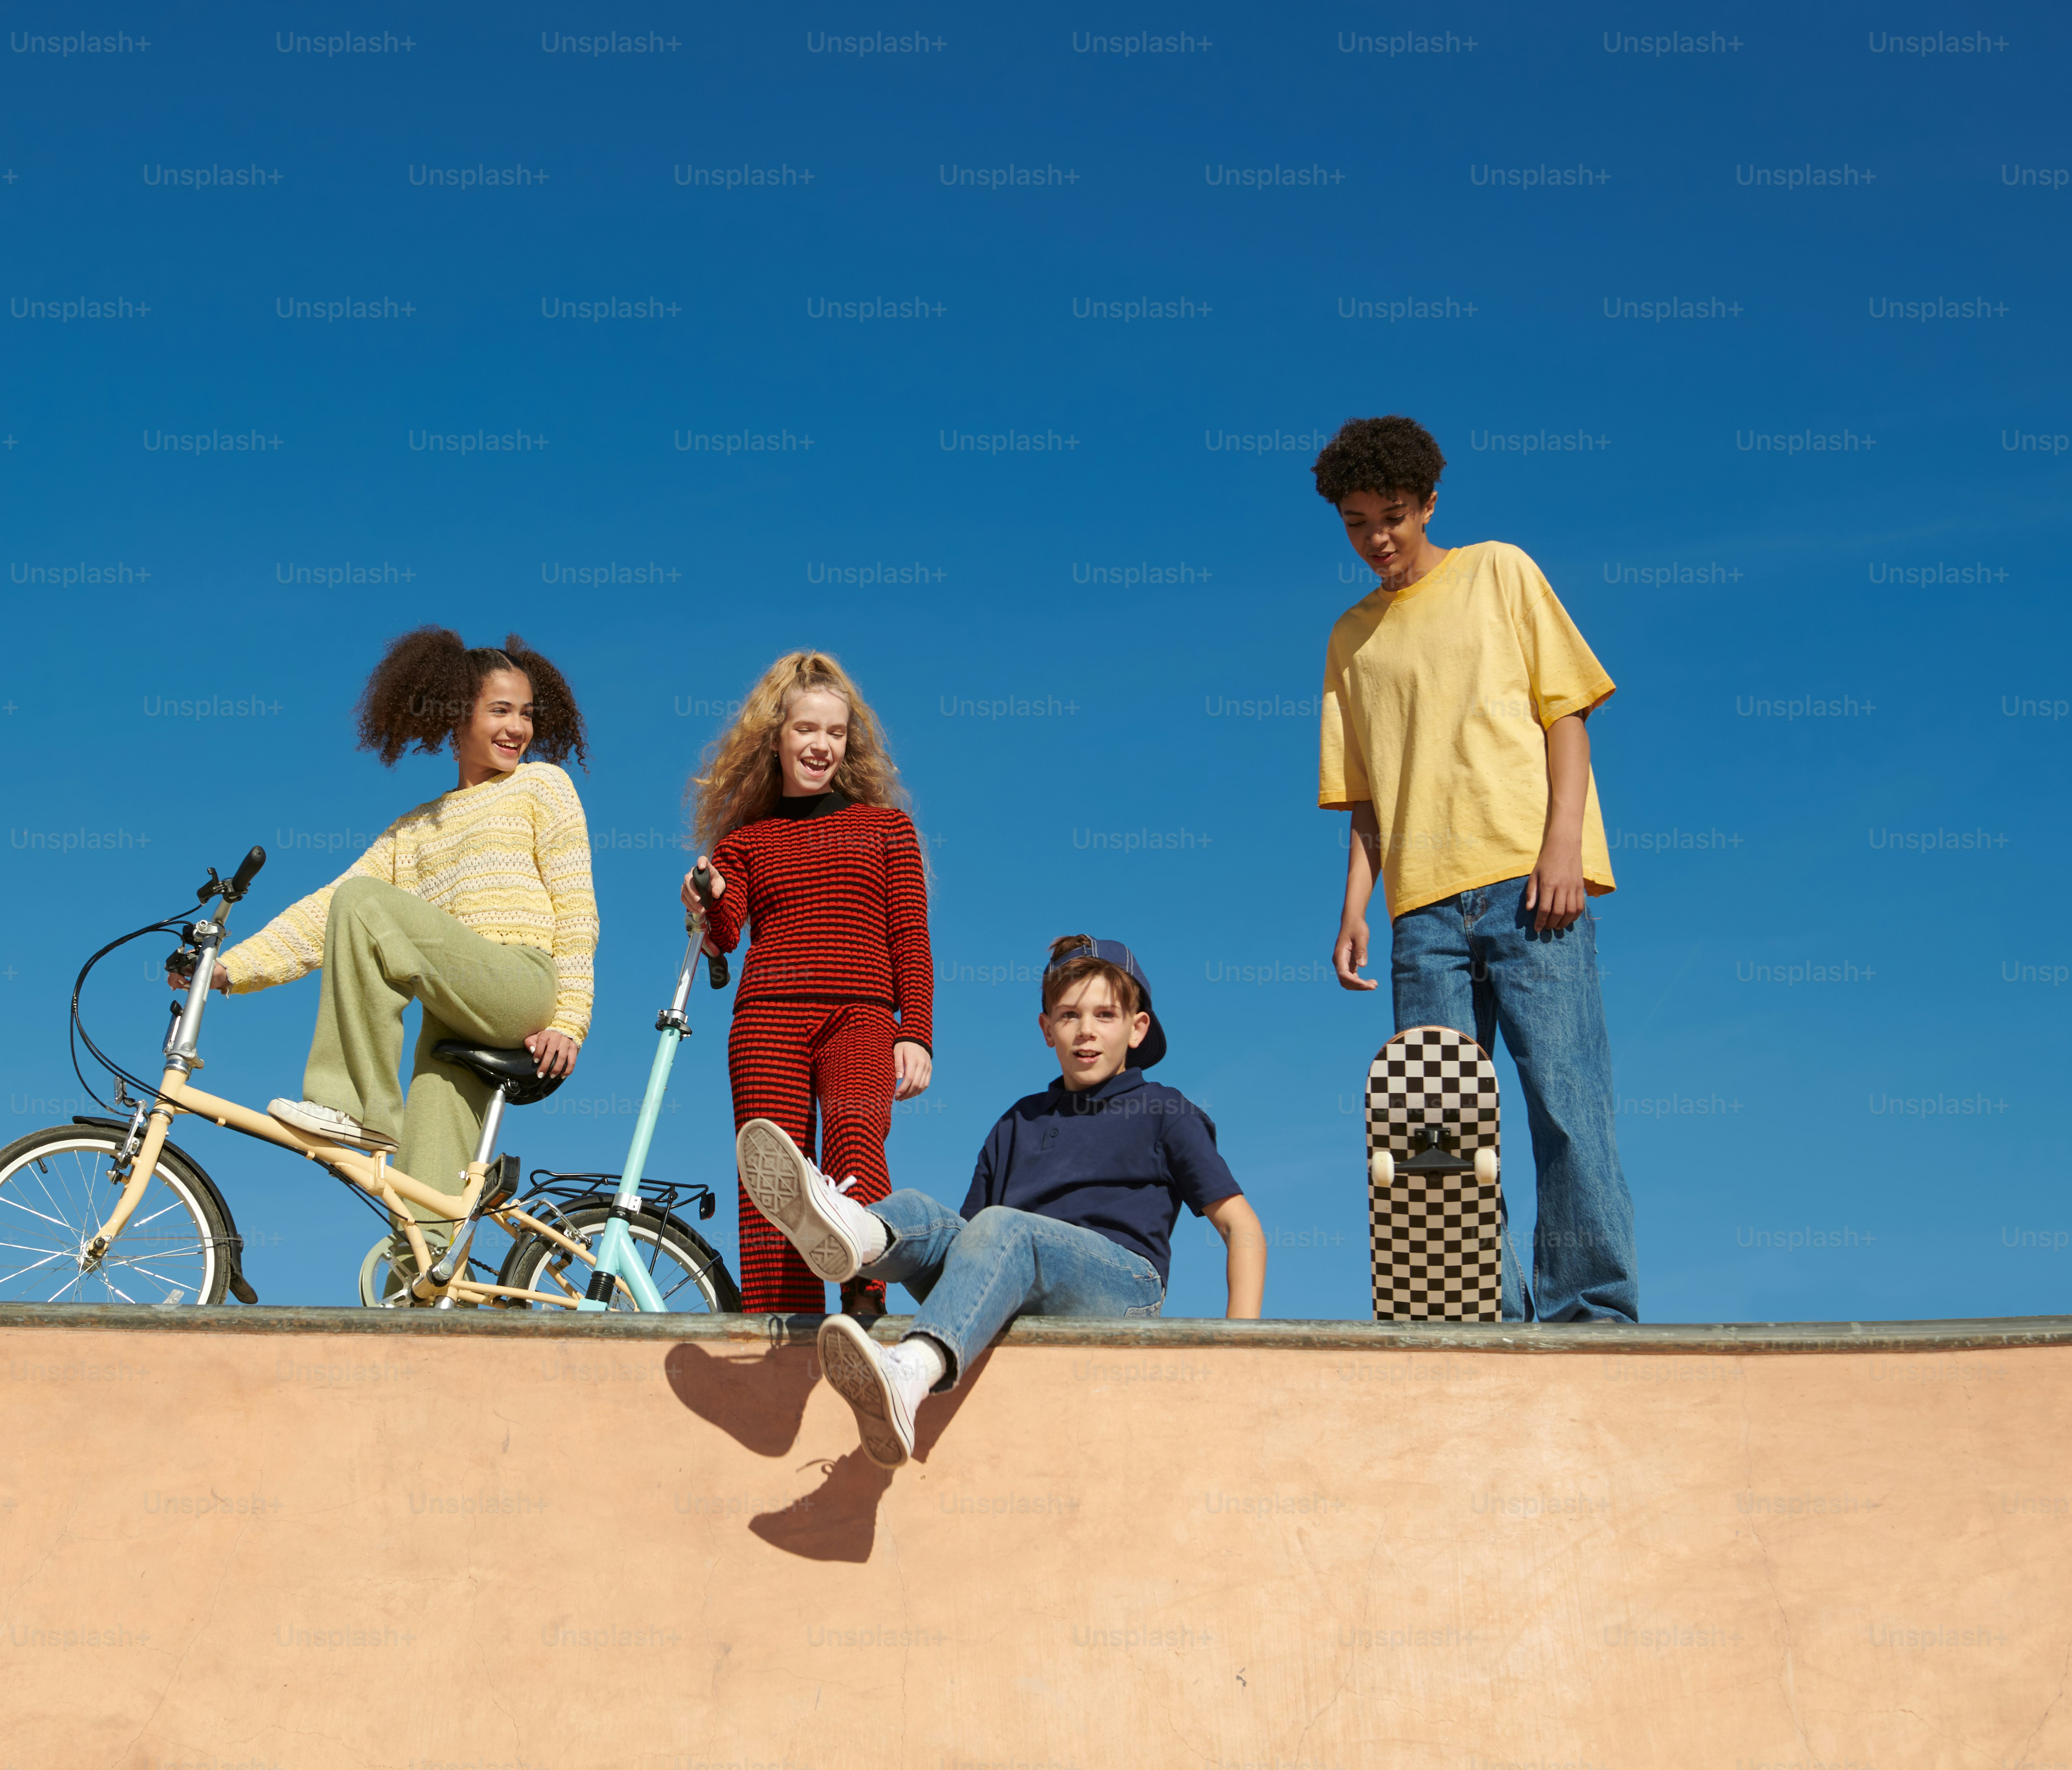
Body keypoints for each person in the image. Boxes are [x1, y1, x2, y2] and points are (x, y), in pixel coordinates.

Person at [1312, 414, 1639, 1323]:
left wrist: (1563, 846)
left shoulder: (1500, 569)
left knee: (1566, 1104)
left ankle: (1591, 1311)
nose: (1376, 538)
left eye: (1392, 516)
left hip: (1529, 886)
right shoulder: (1351, 636)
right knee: (1436, 1128)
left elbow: (1566, 713)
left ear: (1429, 503)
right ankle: (1471, 1316)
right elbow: (1367, 795)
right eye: (1356, 522)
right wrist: (1355, 907)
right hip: (1421, 913)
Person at [738, 937, 1264, 1467]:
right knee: (923, 1210)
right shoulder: (1019, 1121)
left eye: (1105, 1015)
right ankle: (856, 1233)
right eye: (1069, 1015)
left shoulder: (1165, 1110)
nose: (1086, 1030)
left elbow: (1241, 1227)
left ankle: (910, 1372)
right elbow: (966, 1248)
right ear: (1047, 1029)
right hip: (1013, 1273)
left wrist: (1237, 1346)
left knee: (1003, 1227)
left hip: (1121, 1287)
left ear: (1137, 1027)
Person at [177, 628, 596, 1215]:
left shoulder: (542, 786)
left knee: (364, 902)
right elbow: (327, 912)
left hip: (519, 985)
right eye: (500, 711)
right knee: (421, 1207)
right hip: (452, 1023)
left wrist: (571, 1022)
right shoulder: (413, 830)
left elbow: (577, 911)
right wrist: (229, 969)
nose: (518, 728)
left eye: (526, 714)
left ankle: (351, 1104)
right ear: (455, 715)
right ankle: (433, 1271)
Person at [682, 651, 933, 1316]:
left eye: (836, 732)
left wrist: (916, 1033)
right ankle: (780, 1329)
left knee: (855, 1131)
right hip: (767, 1022)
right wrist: (706, 895)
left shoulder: (887, 829)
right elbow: (725, 932)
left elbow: (910, 937)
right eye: (806, 729)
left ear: (849, 744)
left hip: (862, 1016)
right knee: (774, 1183)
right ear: (776, 737)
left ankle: (865, 1307)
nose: (821, 745)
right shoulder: (747, 842)